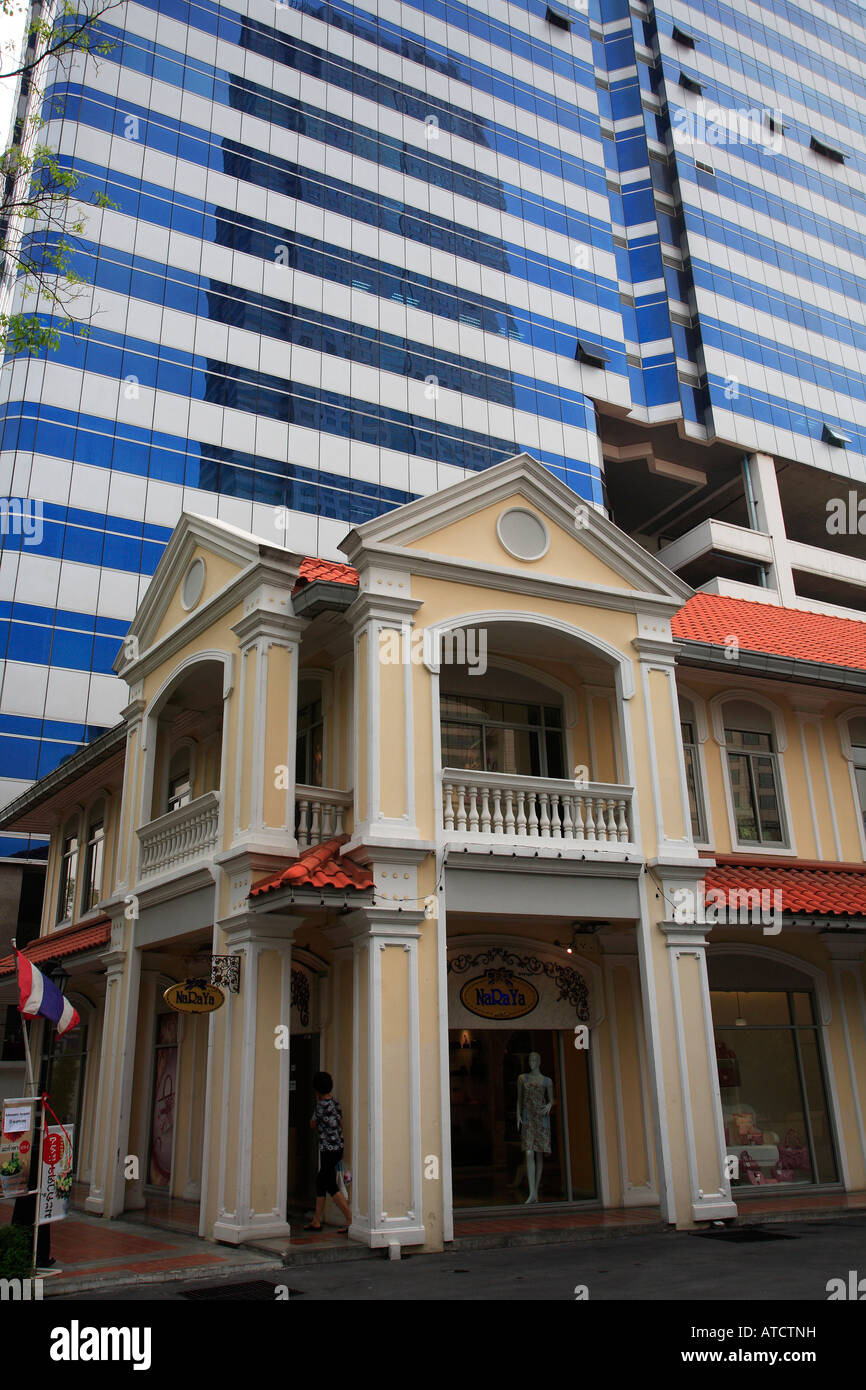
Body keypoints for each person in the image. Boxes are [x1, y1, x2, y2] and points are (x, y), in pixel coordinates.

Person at [305, 1071, 352, 1234]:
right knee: (321, 1181)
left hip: (327, 1149)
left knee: (329, 1184)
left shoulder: (320, 1107)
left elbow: (312, 1124)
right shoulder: (336, 1104)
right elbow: (340, 1123)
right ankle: (316, 1220)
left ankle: (349, 1218)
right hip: (338, 1147)